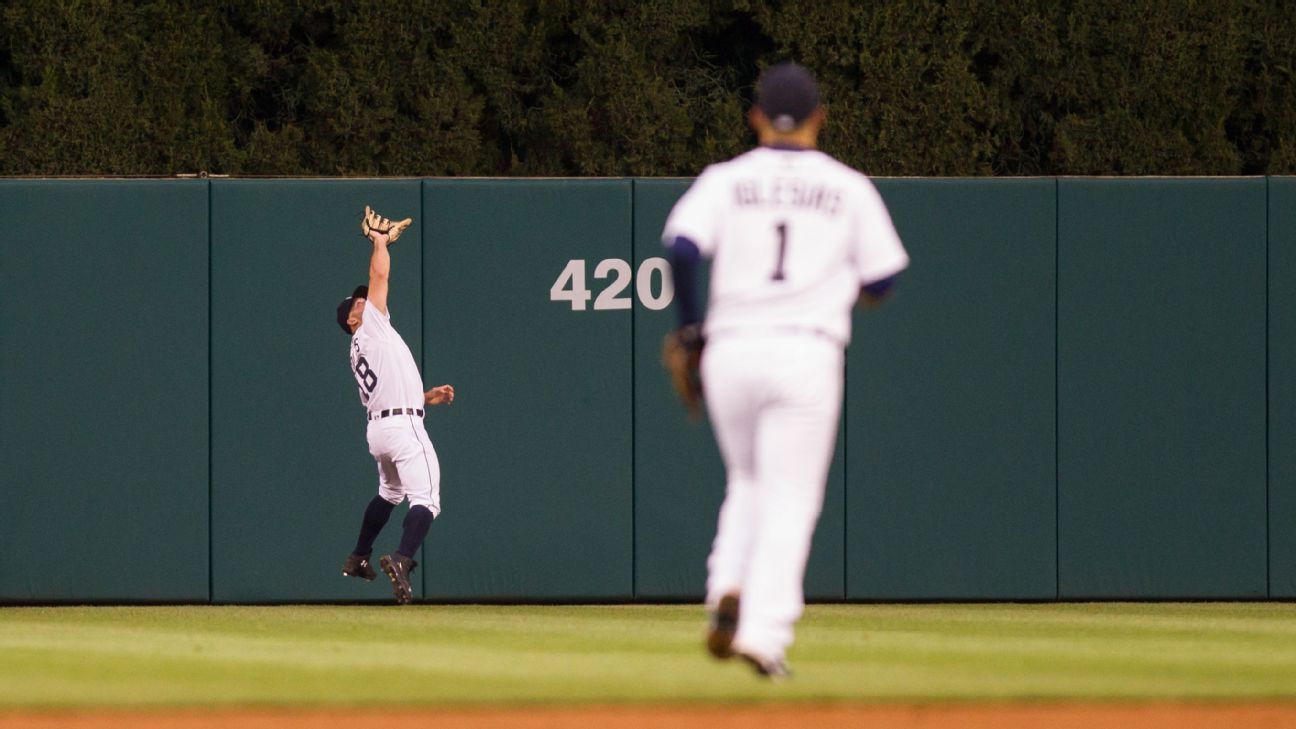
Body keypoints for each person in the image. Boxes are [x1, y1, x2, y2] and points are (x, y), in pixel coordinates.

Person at [661, 62, 910, 678]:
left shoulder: (727, 178)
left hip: (732, 348)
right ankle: (764, 634)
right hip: (805, 349)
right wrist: (838, 278)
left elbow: (681, 248)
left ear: (754, 118)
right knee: (792, 497)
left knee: (748, 480)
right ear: (821, 118)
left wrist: (691, 331)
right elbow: (883, 278)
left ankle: (726, 587)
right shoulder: (847, 186)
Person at [336, 208, 455, 605]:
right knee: (427, 500)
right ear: (353, 319)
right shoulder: (370, 325)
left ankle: (358, 557)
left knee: (390, 493)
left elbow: (383, 396)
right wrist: (380, 241)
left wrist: (423, 399)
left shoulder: (359, 349)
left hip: (380, 429)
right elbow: (380, 277)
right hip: (401, 430)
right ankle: (402, 559)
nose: (364, 301)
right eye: (357, 303)